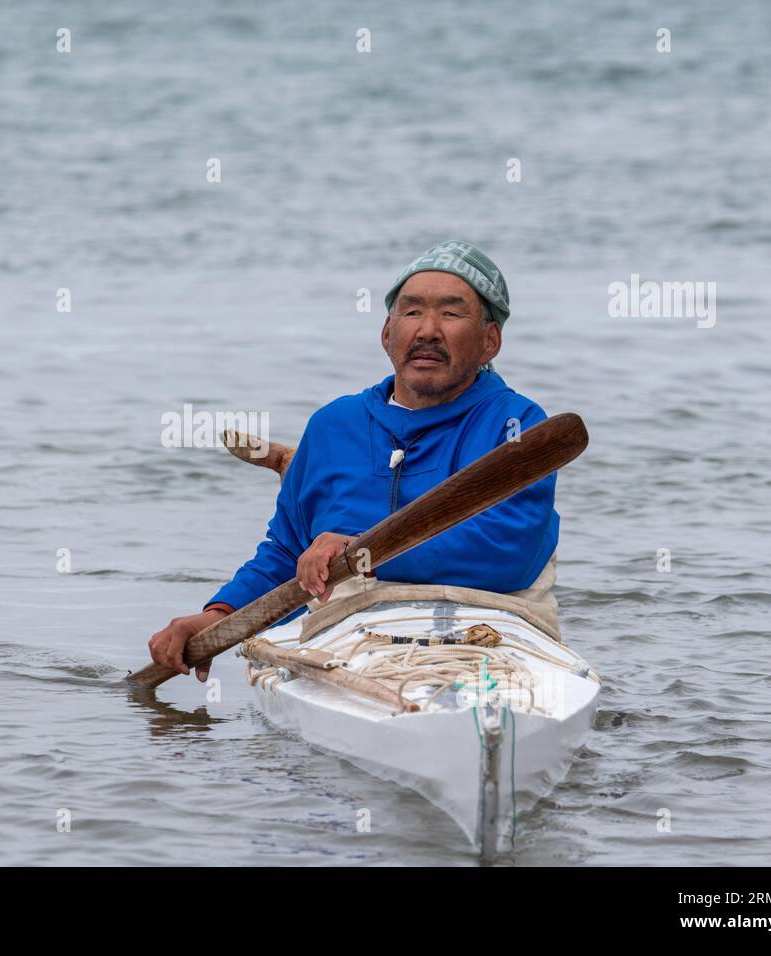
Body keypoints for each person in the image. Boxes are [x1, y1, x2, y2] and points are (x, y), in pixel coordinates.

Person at [148, 240, 559, 681]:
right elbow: (288, 553)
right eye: (412, 311)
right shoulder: (333, 425)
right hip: (351, 636)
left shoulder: (517, 426)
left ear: (489, 341)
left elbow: (508, 550)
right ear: (387, 333)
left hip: (492, 631)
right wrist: (216, 617)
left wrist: (360, 550)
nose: (428, 330)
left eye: (452, 313)